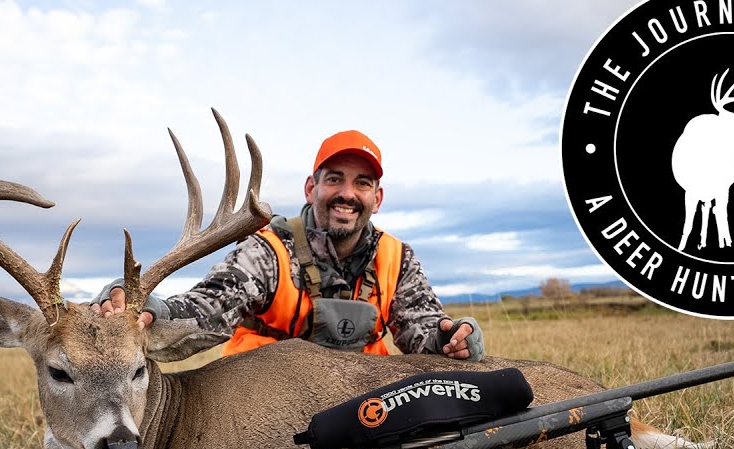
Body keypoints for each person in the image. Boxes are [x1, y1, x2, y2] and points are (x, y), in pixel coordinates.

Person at [94, 129, 483, 360]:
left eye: (362, 183)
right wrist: (144, 305)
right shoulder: (270, 252)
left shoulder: (397, 260)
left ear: (377, 198)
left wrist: (455, 339)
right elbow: (206, 309)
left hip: (366, 402)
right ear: (311, 188)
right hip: (264, 405)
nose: (347, 193)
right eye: (334, 179)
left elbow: (424, 334)